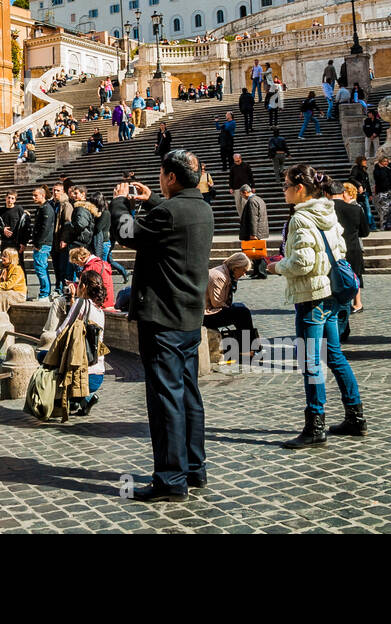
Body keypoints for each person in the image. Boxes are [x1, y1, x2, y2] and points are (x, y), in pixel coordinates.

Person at [109, 149, 215, 501]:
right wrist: (153, 199)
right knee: (188, 395)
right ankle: (194, 468)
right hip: (187, 317)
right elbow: (171, 217)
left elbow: (127, 233)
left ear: (171, 177)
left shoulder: (170, 212)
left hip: (163, 319)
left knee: (165, 399)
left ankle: (170, 479)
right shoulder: (201, 207)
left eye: (160, 176)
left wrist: (120, 203)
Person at [268, 164, 364, 448]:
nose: (283, 190)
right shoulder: (328, 212)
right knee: (334, 356)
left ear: (299, 188)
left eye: (285, 185)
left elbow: (302, 263)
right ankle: (355, 416)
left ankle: (315, 425)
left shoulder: (300, 219)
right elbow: (341, 251)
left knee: (310, 360)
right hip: (332, 294)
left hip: (311, 297)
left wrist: (276, 267)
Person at [51, 269, 108, 416]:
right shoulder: (100, 312)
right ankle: (77, 401)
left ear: (83, 286)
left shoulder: (81, 303)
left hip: (83, 375)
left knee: (43, 358)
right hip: (98, 373)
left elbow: (61, 332)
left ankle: (82, 398)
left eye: (79, 282)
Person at [329, 181, 369, 339]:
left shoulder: (328, 208)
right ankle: (346, 321)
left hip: (335, 250)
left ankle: (338, 325)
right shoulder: (355, 209)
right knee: (353, 279)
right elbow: (365, 232)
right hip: (353, 249)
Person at [204, 252, 258, 363]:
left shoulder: (226, 273)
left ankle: (248, 348)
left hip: (212, 310)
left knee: (241, 309)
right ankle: (248, 349)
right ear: (235, 268)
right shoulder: (219, 276)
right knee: (242, 313)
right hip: (207, 314)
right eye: (243, 271)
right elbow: (217, 303)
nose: (244, 274)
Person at [29, 185, 56, 301]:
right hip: (41, 242)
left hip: (43, 243)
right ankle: (45, 292)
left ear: (43, 195)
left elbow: (45, 228)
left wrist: (38, 244)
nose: (33, 198)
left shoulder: (46, 208)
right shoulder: (42, 208)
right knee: (40, 267)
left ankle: (45, 293)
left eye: (36, 195)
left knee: (41, 268)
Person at [0, 191, 26, 267]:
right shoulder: (0, 211)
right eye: (8, 198)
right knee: (5, 264)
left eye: (12, 198)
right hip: (5, 242)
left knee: (19, 264)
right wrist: (2, 229)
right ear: (5, 198)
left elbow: (25, 226)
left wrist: (24, 242)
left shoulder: (19, 209)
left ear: (15, 200)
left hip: (16, 242)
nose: (10, 200)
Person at [373, 157, 391, 230]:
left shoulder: (388, 169)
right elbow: (381, 177)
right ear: (380, 162)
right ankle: (384, 225)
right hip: (383, 191)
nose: (386, 163)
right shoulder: (377, 170)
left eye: (387, 161)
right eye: (384, 161)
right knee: (384, 209)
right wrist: (380, 167)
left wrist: (390, 164)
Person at [349, 156, 374, 228]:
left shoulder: (364, 170)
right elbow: (351, 178)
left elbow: (367, 183)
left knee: (367, 209)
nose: (366, 162)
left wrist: (370, 194)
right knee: (366, 209)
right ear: (360, 162)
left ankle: (370, 225)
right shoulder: (356, 169)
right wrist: (359, 185)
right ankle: (370, 225)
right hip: (358, 192)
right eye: (364, 161)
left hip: (365, 192)